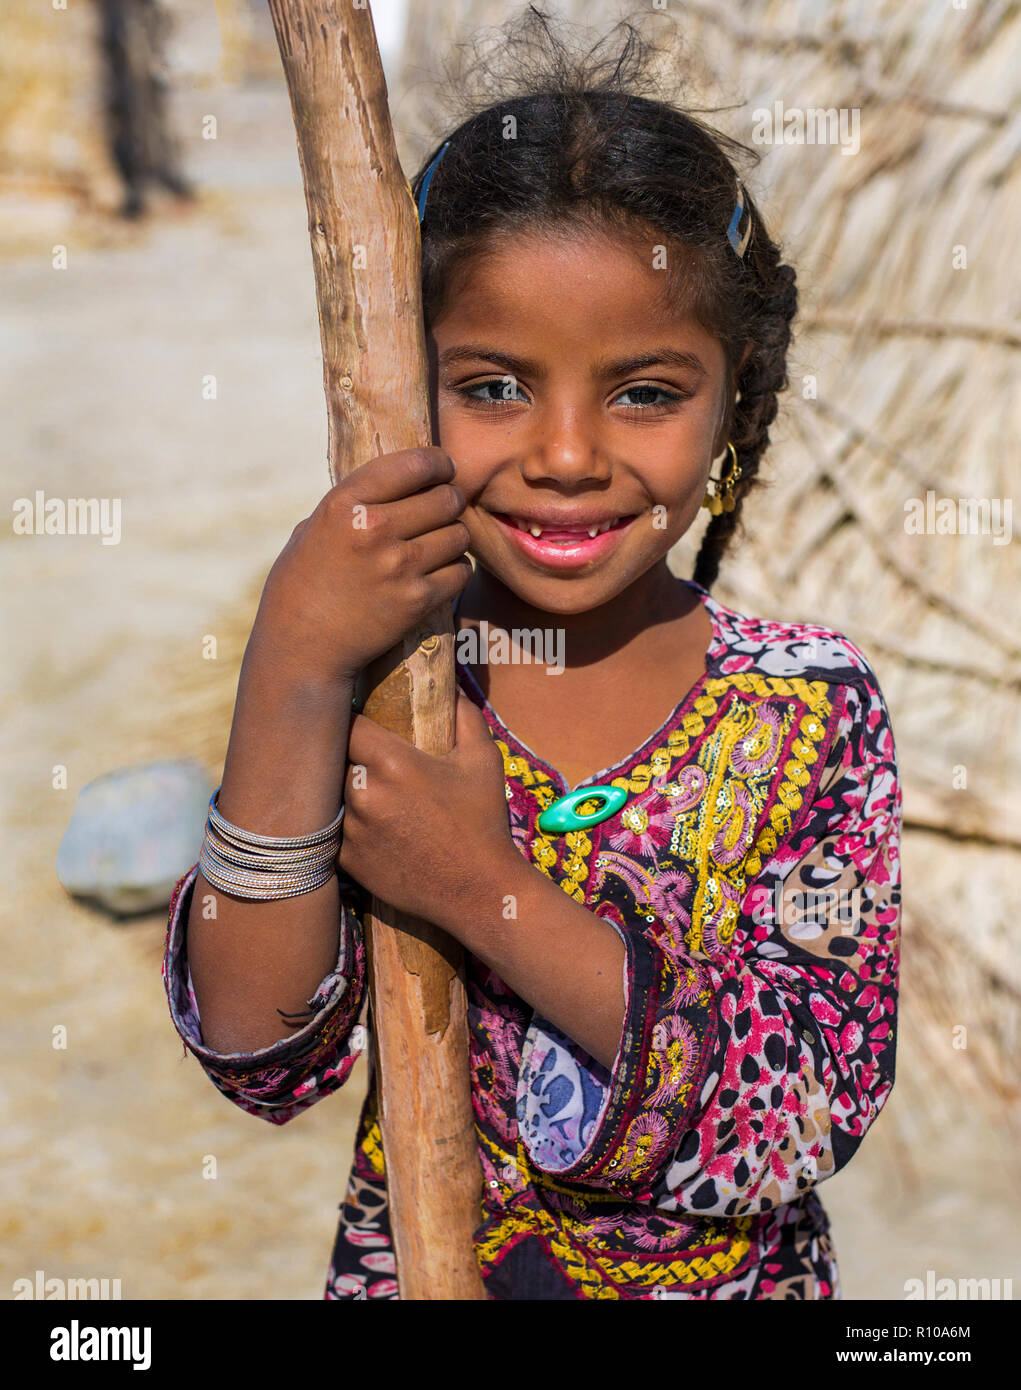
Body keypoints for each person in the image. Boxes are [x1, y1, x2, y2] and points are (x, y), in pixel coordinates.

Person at [162, 19, 901, 1301]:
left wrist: (480, 889)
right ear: (399, 385)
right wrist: (288, 666)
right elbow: (255, 1053)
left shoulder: (806, 712)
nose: (566, 453)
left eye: (645, 392)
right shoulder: (391, 692)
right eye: (495, 385)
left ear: (735, 400)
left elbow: (799, 1116)